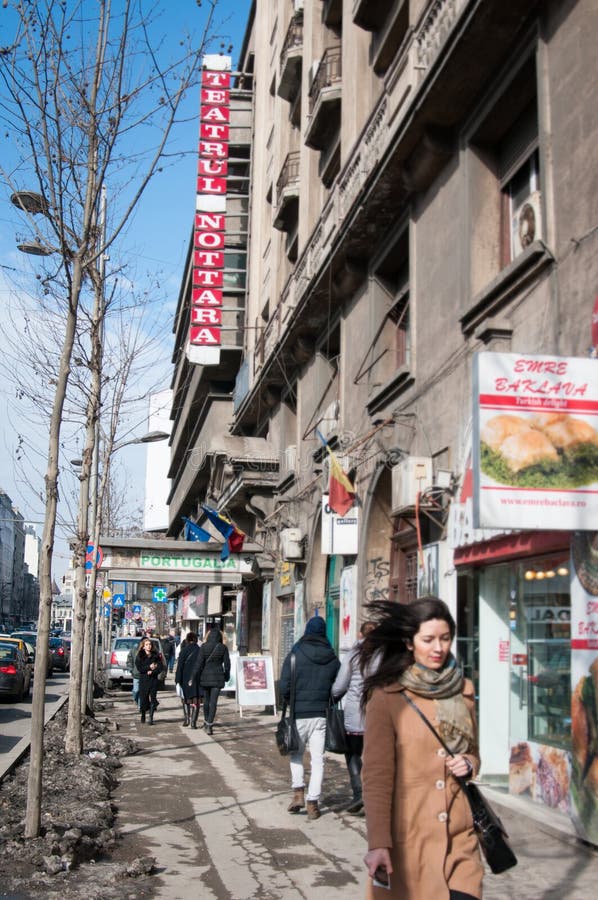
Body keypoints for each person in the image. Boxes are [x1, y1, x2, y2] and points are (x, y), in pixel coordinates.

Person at [360, 597, 483, 900]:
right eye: (428, 640)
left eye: (445, 638)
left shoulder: (464, 689)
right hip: (409, 842)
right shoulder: (387, 697)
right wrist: (378, 843)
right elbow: (376, 776)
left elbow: (474, 752)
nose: (439, 648)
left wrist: (469, 763)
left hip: (460, 840)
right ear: (410, 643)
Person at [279, 615, 340, 821]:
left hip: (298, 714)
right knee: (317, 760)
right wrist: (329, 700)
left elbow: (284, 685)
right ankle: (313, 802)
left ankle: (298, 792)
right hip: (321, 715)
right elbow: (339, 686)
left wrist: (290, 700)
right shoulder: (332, 657)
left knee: (296, 754)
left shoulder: (295, 654)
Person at [331, 620, 376, 814]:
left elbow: (340, 685)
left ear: (360, 634)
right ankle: (376, 795)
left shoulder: (353, 655)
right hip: (379, 715)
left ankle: (359, 793)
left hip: (356, 714)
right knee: (377, 757)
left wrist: (332, 696)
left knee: (353, 753)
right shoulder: (385, 655)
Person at [190, 625, 230, 735]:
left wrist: (193, 677)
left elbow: (198, 664)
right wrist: (226, 676)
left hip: (205, 677)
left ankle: (206, 722)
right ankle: (209, 725)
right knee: (214, 702)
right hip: (218, 678)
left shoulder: (203, 647)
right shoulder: (223, 648)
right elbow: (227, 664)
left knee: (206, 701)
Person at [175, 631, 202, 727]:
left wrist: (177, 680)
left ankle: (186, 719)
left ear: (187, 640)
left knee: (185, 698)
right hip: (197, 679)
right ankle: (193, 722)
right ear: (196, 640)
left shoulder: (184, 651)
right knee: (196, 699)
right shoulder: (200, 650)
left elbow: (180, 667)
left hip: (185, 678)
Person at [136, 637, 164, 725]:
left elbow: (160, 667)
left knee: (153, 698)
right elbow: (139, 668)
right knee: (144, 699)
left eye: (150, 645)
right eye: (147, 645)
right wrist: (149, 668)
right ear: (143, 646)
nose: (149, 646)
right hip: (144, 680)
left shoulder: (155, 655)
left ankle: (151, 718)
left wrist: (153, 671)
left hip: (153, 679)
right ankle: (143, 713)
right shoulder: (140, 655)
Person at [126, 640, 141, 708]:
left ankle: (140, 707)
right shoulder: (134, 650)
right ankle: (135, 699)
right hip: (136, 674)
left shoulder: (149, 652)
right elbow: (129, 660)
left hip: (145, 675)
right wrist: (131, 669)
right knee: (136, 690)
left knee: (142, 691)